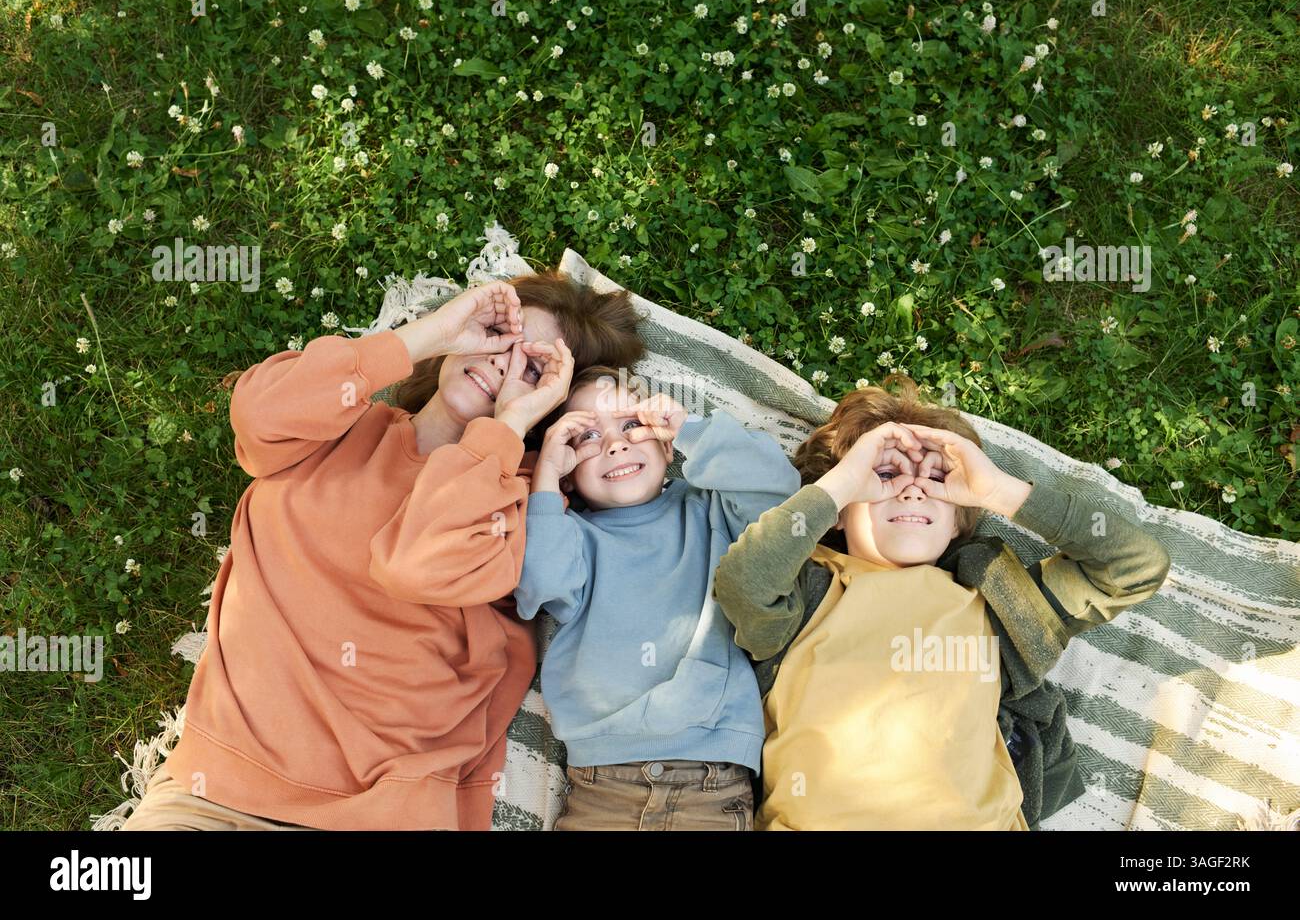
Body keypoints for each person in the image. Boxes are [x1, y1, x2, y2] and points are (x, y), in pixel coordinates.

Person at [122, 270, 644, 830]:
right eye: (498, 334)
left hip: (386, 808)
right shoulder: (340, 424)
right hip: (216, 792)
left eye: (533, 368)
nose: (503, 362)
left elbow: (416, 564)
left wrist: (510, 424)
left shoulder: (517, 501)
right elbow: (257, 414)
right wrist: (432, 332)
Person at [713, 374, 1172, 830]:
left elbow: (1137, 568)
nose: (913, 489)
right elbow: (743, 582)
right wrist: (841, 483)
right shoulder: (808, 594)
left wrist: (998, 492)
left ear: (958, 523)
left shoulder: (996, 603)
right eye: (885, 476)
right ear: (837, 513)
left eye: (937, 479)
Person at [513, 366, 801, 830]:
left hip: (711, 778)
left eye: (631, 425)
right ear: (569, 474)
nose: (615, 444)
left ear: (668, 448)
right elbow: (538, 584)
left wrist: (689, 429)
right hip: (602, 783)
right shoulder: (575, 538)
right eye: (587, 437)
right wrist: (544, 473)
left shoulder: (711, 510)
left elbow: (778, 490)